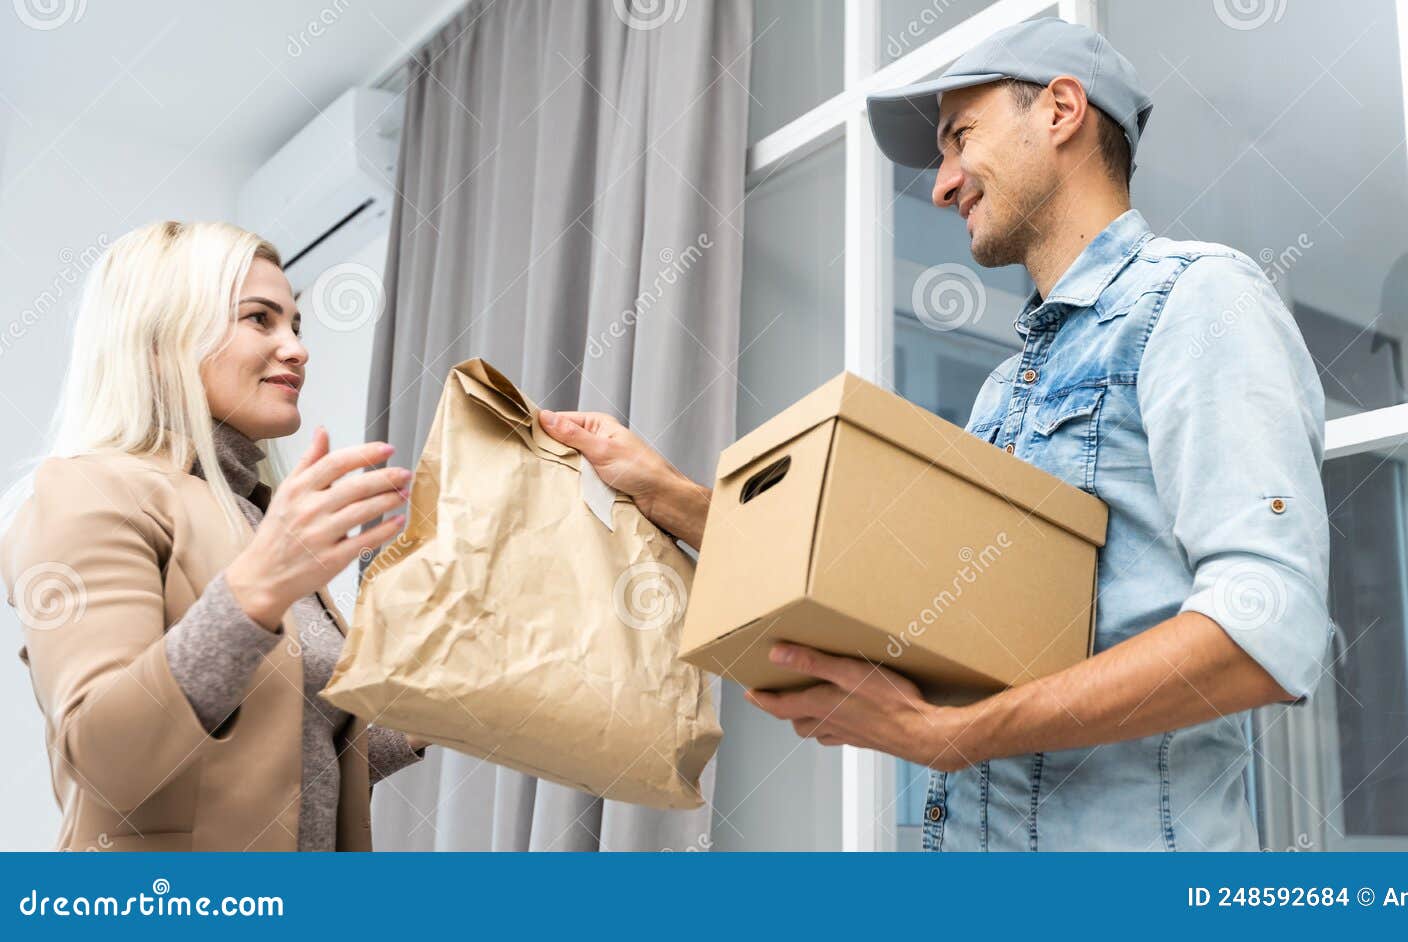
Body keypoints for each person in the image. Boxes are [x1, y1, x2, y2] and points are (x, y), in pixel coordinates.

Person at [539, 18, 1330, 851]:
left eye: (959, 138)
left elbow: (1263, 626)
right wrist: (674, 499)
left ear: (1061, 109)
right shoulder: (1003, 390)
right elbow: (908, 600)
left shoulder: (1201, 302)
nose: (942, 184)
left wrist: (959, 736)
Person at [0, 221, 427, 851]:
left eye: (297, 326)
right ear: (158, 337)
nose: (296, 349)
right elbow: (108, 758)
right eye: (260, 319)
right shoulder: (88, 490)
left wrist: (443, 685)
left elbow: (298, 748)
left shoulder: (254, 514)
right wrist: (259, 587)